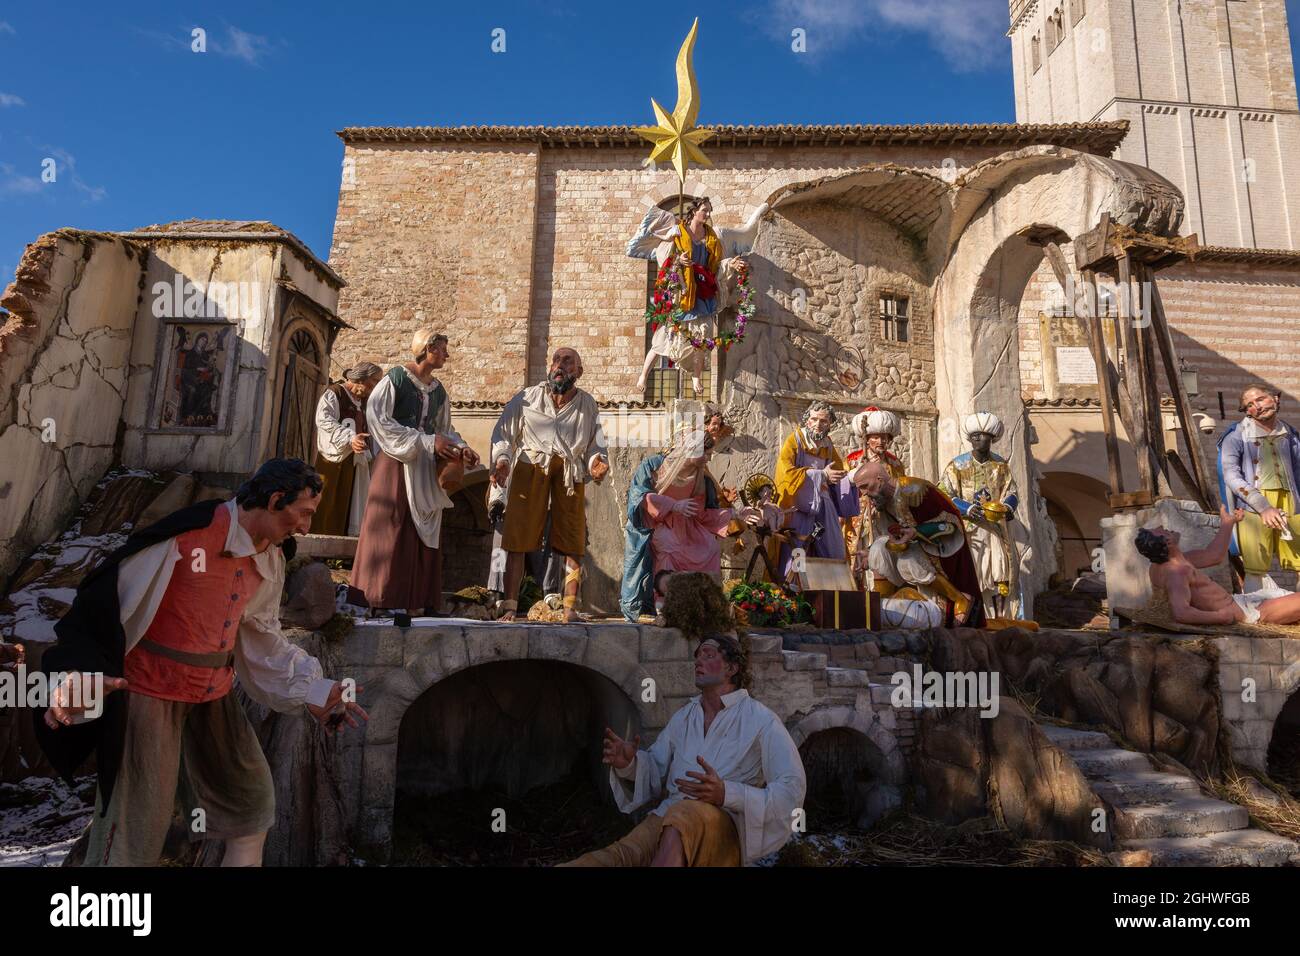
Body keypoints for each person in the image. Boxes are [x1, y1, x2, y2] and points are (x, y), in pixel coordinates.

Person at [33, 459, 368, 866]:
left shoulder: (270, 556)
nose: (304, 526)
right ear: (276, 499)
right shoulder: (182, 538)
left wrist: (315, 690)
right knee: (133, 834)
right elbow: (99, 612)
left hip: (214, 699)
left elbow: (261, 636)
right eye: (304, 513)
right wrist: (77, 676)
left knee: (251, 809)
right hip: (149, 695)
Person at [563, 633, 806, 867]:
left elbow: (791, 788)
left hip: (722, 828)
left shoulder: (761, 720)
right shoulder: (684, 716)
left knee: (684, 814)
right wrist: (630, 763)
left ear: (732, 669)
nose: (698, 661)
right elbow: (656, 768)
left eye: (709, 655)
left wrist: (727, 794)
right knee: (616, 857)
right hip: (669, 815)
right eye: (697, 656)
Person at [349, 330, 479, 617]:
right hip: (396, 461)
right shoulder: (395, 379)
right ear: (428, 348)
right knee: (391, 524)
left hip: (424, 468)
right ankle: (379, 596)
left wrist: (462, 448)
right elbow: (379, 420)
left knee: (421, 532)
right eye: (443, 348)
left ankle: (415, 600)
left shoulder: (439, 391)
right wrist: (426, 442)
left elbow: (445, 430)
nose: (447, 354)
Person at [491, 347, 609, 622]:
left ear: (578, 372)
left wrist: (597, 463)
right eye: (556, 360)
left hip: (569, 472)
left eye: (568, 361)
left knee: (573, 540)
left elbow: (596, 444)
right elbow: (504, 433)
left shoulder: (588, 404)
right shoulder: (527, 397)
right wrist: (502, 461)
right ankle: (509, 607)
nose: (559, 365)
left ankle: (569, 608)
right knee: (518, 538)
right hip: (530, 465)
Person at [620, 429, 761, 622]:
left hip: (687, 526)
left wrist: (735, 514)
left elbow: (701, 514)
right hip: (657, 524)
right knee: (671, 546)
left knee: (709, 547)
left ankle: (701, 605)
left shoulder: (699, 478)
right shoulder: (654, 466)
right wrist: (674, 505)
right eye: (707, 453)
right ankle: (665, 605)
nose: (709, 459)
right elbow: (640, 497)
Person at [627, 197, 748, 394]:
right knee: (664, 338)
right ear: (694, 212)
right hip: (682, 292)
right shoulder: (678, 231)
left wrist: (731, 264)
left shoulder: (711, 237)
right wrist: (678, 259)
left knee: (701, 340)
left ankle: (696, 377)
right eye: (704, 210)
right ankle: (644, 374)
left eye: (709, 211)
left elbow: (715, 267)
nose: (707, 214)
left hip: (702, 292)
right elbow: (665, 258)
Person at [853, 460, 986, 627]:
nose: (864, 493)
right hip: (911, 548)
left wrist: (917, 532)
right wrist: (868, 551)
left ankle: (959, 599)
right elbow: (888, 533)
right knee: (879, 548)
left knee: (907, 557)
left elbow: (951, 522)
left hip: (939, 548)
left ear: (880, 479)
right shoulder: (882, 502)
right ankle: (881, 606)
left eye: (865, 486)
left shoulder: (914, 489)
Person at [1135, 506, 1300, 625]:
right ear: (1168, 542)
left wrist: (1228, 523)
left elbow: (1214, 555)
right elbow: (1181, 612)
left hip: (1243, 601)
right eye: (1163, 531)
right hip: (1248, 613)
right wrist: (1221, 617)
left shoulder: (1174, 561)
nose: (1165, 528)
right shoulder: (1178, 573)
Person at [1218, 384, 1300, 592]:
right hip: (1252, 506)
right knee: (1256, 567)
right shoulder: (1236, 436)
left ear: (1276, 398)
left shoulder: (1290, 434)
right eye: (1250, 405)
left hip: (1292, 502)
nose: (1258, 407)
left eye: (1261, 399)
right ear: (1247, 412)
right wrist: (1263, 506)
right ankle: (1256, 617)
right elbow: (1230, 474)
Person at [939, 412, 1020, 619]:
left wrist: (1007, 508)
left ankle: (1000, 616)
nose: (977, 439)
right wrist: (966, 508)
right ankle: (971, 614)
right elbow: (944, 492)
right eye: (973, 436)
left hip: (994, 529)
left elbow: (1011, 491)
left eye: (982, 435)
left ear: (991, 438)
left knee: (998, 571)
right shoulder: (957, 465)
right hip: (969, 530)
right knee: (974, 571)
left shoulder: (1000, 465)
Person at [774, 401, 858, 580]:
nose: (818, 424)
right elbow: (786, 472)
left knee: (833, 543)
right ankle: (793, 587)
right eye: (814, 419)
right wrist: (821, 475)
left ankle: (831, 586)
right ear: (807, 420)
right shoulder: (795, 440)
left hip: (822, 500)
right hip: (798, 504)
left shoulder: (828, 444)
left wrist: (851, 478)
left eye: (824, 421)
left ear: (830, 423)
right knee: (797, 547)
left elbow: (837, 471)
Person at [310, 362, 383, 536]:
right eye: (373, 381)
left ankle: (341, 548)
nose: (374, 387)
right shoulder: (335, 393)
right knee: (327, 501)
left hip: (356, 461)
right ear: (360, 378)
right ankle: (318, 545)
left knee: (350, 502)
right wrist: (350, 438)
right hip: (333, 458)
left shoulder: (366, 402)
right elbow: (324, 420)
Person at [844, 406, 903, 578]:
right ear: (867, 439)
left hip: (885, 519)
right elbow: (844, 490)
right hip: (859, 518)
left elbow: (900, 491)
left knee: (883, 559)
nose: (881, 441)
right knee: (857, 561)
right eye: (876, 437)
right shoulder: (853, 461)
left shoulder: (895, 464)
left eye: (885, 438)